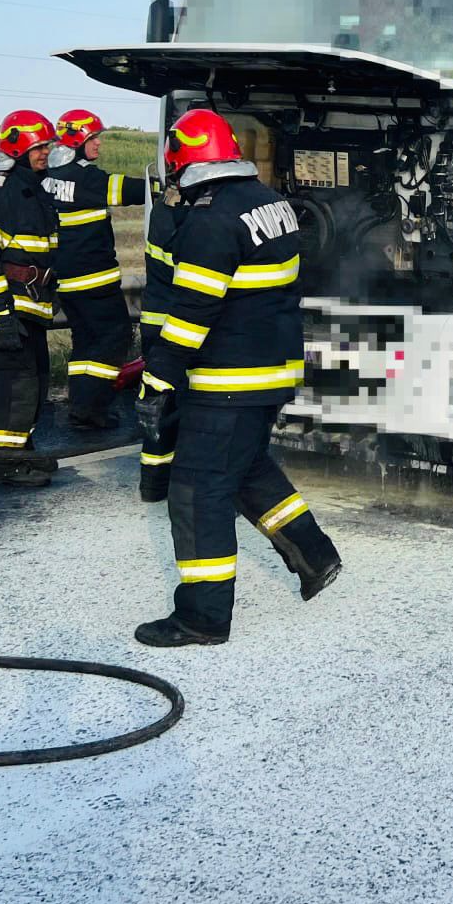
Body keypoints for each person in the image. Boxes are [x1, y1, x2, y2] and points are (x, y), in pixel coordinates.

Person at [133, 108, 340, 647]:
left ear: (184, 161)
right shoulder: (274, 205)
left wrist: (157, 379)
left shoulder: (210, 219)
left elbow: (191, 314)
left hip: (226, 379)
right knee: (246, 469)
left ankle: (202, 617)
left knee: (198, 490)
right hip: (270, 370)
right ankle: (314, 556)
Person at [0, 111, 59, 488]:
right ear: (19, 148)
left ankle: (22, 450)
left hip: (30, 303)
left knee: (33, 381)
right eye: (39, 147)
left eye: (48, 145)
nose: (46, 153)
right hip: (5, 306)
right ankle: (3, 465)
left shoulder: (31, 186)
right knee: (12, 387)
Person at [42, 109, 147, 429]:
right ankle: (93, 408)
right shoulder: (85, 177)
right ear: (78, 141)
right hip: (94, 279)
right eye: (93, 138)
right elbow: (130, 190)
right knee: (113, 337)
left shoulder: (49, 177)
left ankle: (81, 406)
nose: (99, 144)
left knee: (86, 343)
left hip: (67, 281)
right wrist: (168, 184)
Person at [135, 179, 182, 504]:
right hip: (177, 328)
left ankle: (153, 485)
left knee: (158, 404)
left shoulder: (164, 211)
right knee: (189, 408)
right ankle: (191, 489)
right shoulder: (182, 219)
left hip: (156, 324)